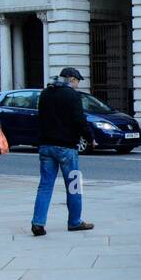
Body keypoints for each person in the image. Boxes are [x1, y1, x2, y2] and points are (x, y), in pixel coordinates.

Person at [31, 68, 96, 236]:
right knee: (74, 186)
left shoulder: (45, 93)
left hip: (46, 145)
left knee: (45, 186)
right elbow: (79, 120)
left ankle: (38, 223)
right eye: (77, 81)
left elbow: (40, 118)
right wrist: (90, 138)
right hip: (67, 147)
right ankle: (75, 221)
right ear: (70, 79)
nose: (77, 85)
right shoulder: (72, 96)